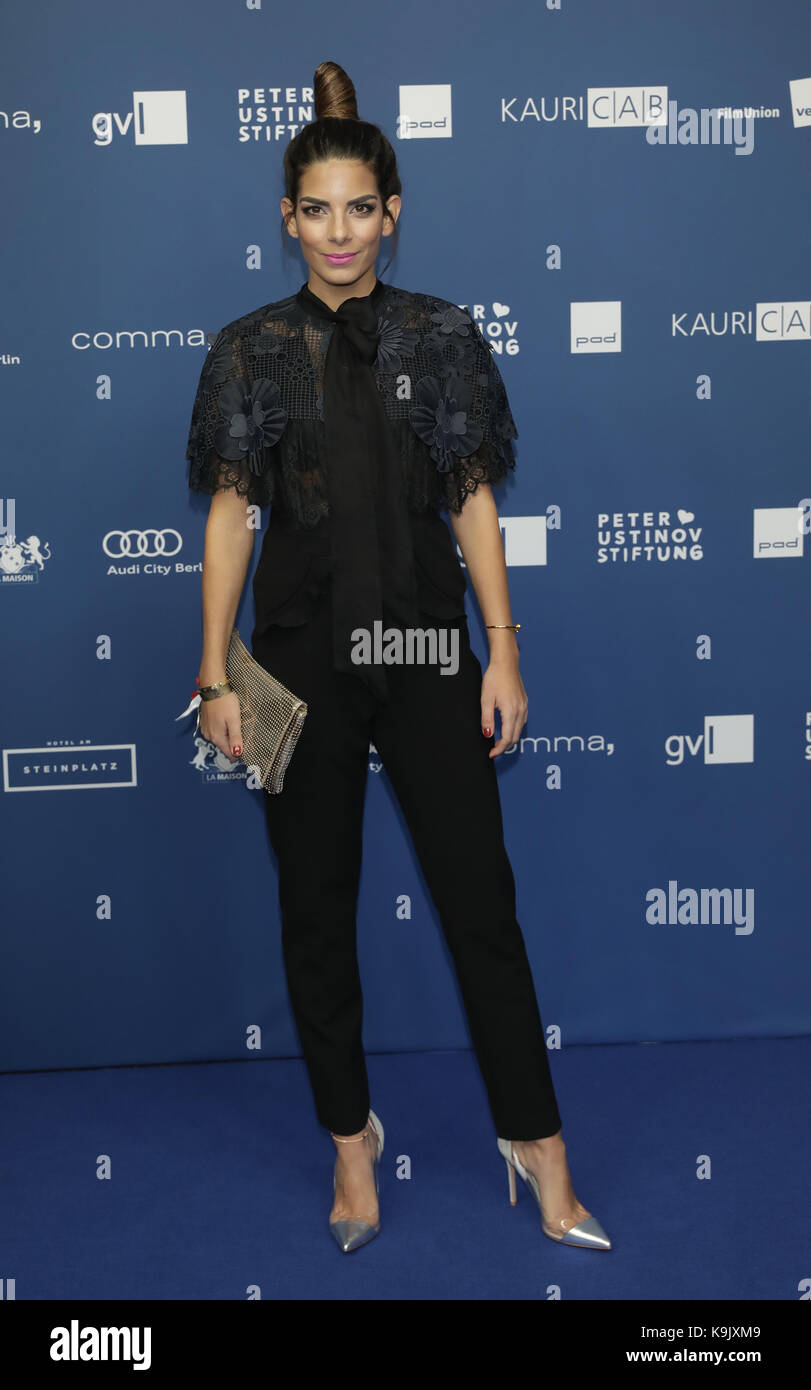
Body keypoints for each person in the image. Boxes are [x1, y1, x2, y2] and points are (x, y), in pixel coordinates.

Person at [185, 59, 611, 1255]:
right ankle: (349, 1143)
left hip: (425, 648)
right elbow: (231, 515)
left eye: (359, 209)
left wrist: (501, 651)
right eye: (316, 211)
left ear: (393, 211)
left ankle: (537, 1141)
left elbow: (471, 499)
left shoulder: (444, 335)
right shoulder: (250, 350)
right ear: (288, 218)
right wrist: (214, 672)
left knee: (481, 903)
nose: (338, 232)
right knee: (314, 912)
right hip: (297, 665)